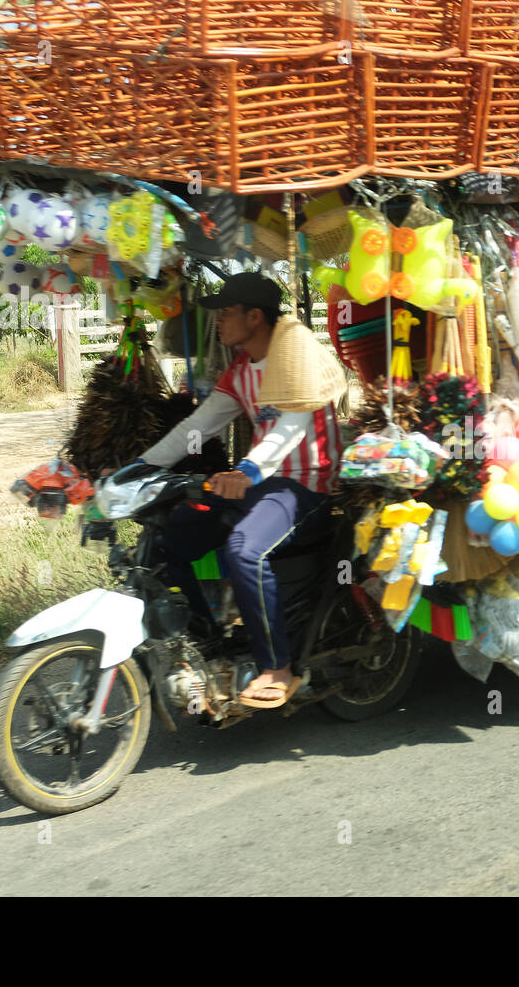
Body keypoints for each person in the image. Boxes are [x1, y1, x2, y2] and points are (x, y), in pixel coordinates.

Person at [134, 271, 341, 709]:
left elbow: (292, 424)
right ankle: (208, 641)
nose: (219, 322)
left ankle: (276, 668)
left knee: (245, 549)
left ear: (255, 317)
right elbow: (198, 425)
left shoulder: (294, 356)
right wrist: (140, 467)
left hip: (306, 485)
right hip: (263, 485)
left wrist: (247, 469)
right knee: (171, 535)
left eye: (227, 313)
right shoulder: (241, 370)